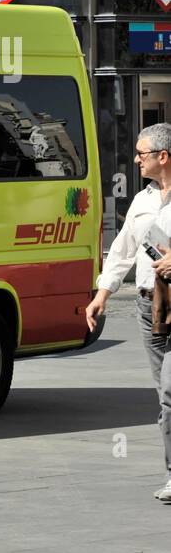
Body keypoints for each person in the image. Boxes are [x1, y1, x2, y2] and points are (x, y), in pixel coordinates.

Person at [85, 122, 171, 503]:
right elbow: (122, 250)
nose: (135, 160)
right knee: (164, 395)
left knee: (170, 392)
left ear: (162, 157)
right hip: (149, 305)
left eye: (141, 154)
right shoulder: (142, 200)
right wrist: (102, 294)